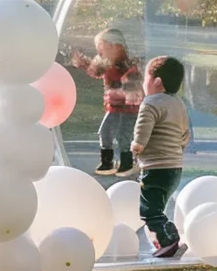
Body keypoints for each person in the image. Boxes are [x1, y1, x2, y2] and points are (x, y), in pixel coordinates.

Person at [131, 55, 191, 258]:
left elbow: (143, 128)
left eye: (145, 78)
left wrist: (137, 146)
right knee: (158, 208)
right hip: (174, 168)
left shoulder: (151, 102)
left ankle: (170, 240)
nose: (143, 83)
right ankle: (168, 241)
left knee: (149, 211)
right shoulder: (178, 104)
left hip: (155, 168)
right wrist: (176, 151)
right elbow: (185, 134)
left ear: (156, 82)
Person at [72, 28, 142, 177]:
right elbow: (95, 70)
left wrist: (118, 92)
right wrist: (82, 62)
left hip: (129, 109)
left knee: (123, 135)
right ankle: (107, 162)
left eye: (101, 47)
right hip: (114, 108)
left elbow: (133, 91)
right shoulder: (105, 62)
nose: (99, 52)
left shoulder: (127, 65)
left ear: (115, 46)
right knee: (105, 131)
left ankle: (127, 162)